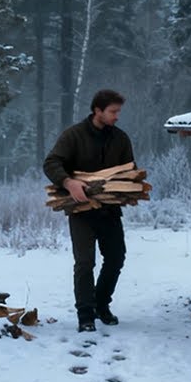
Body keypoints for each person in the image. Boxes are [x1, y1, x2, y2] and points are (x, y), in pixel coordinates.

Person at [43, 89, 134, 333]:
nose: (117, 116)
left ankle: (101, 305)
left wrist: (127, 189)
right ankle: (86, 316)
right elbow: (51, 163)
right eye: (113, 112)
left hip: (110, 211)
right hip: (81, 210)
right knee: (85, 263)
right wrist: (69, 182)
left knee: (116, 258)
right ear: (98, 111)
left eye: (118, 112)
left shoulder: (120, 139)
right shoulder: (73, 135)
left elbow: (130, 171)